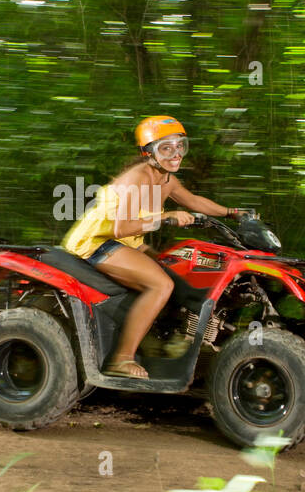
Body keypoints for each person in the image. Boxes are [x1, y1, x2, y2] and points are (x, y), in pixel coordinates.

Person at [61, 115, 245, 379]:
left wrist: (233, 213)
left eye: (180, 145)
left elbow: (193, 200)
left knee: (177, 269)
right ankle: (121, 360)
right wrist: (166, 216)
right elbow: (121, 228)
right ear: (148, 152)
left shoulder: (165, 178)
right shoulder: (137, 177)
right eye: (166, 148)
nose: (176, 153)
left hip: (127, 244)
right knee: (161, 284)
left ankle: (163, 344)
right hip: (97, 242)